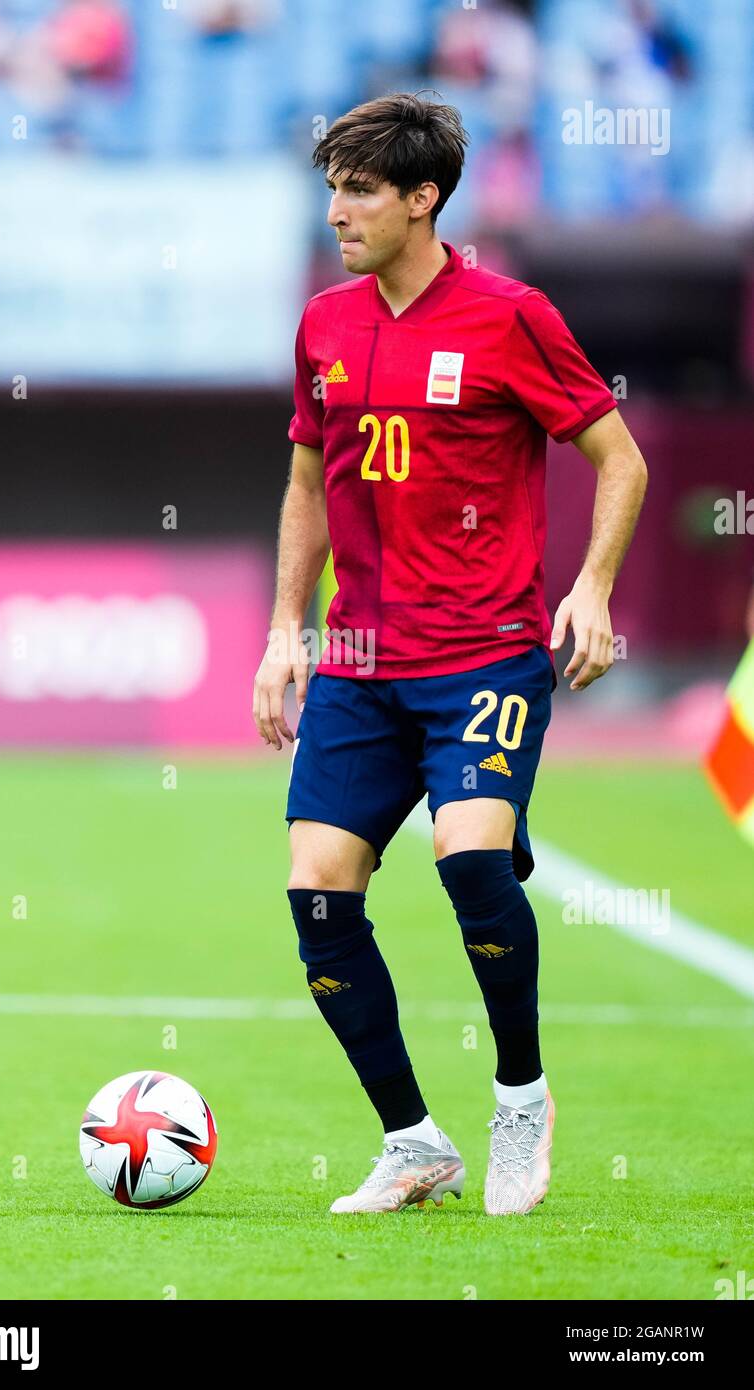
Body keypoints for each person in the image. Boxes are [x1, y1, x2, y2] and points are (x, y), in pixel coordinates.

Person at [253, 93, 648, 1216]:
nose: (336, 210)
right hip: (358, 666)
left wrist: (590, 587)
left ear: (422, 200)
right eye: (331, 187)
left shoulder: (509, 317)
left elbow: (617, 461)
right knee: (317, 893)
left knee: (471, 859)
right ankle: (413, 1140)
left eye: (360, 190)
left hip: (482, 655)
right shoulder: (322, 324)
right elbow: (302, 486)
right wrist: (288, 630)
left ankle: (520, 1100)